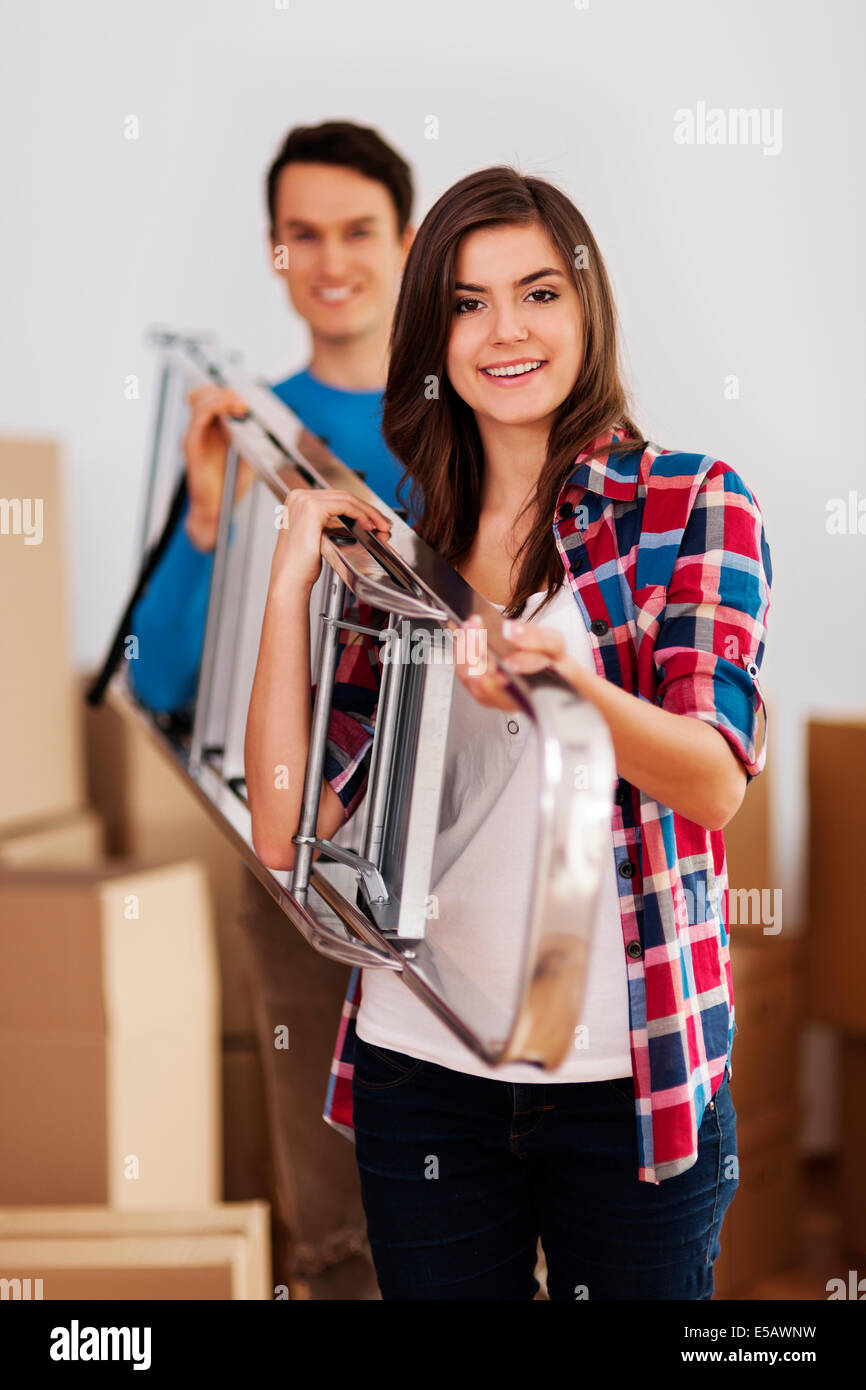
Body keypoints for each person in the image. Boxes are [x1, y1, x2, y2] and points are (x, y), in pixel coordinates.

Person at [245, 164, 773, 1301]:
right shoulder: (404, 544)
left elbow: (712, 780)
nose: (505, 331)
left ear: (587, 311)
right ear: (431, 331)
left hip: (625, 1080)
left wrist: (566, 693)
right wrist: (291, 584)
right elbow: (289, 825)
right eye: (468, 302)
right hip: (419, 1069)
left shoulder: (690, 504)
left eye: (538, 293)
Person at [128, 121, 416, 1299]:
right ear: (273, 251)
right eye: (303, 234)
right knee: (334, 1228)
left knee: (501, 1218)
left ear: (406, 239)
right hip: (291, 863)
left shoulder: (474, 414)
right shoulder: (247, 428)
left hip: (451, 862)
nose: (331, 258)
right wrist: (205, 511)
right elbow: (158, 679)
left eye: (357, 230)